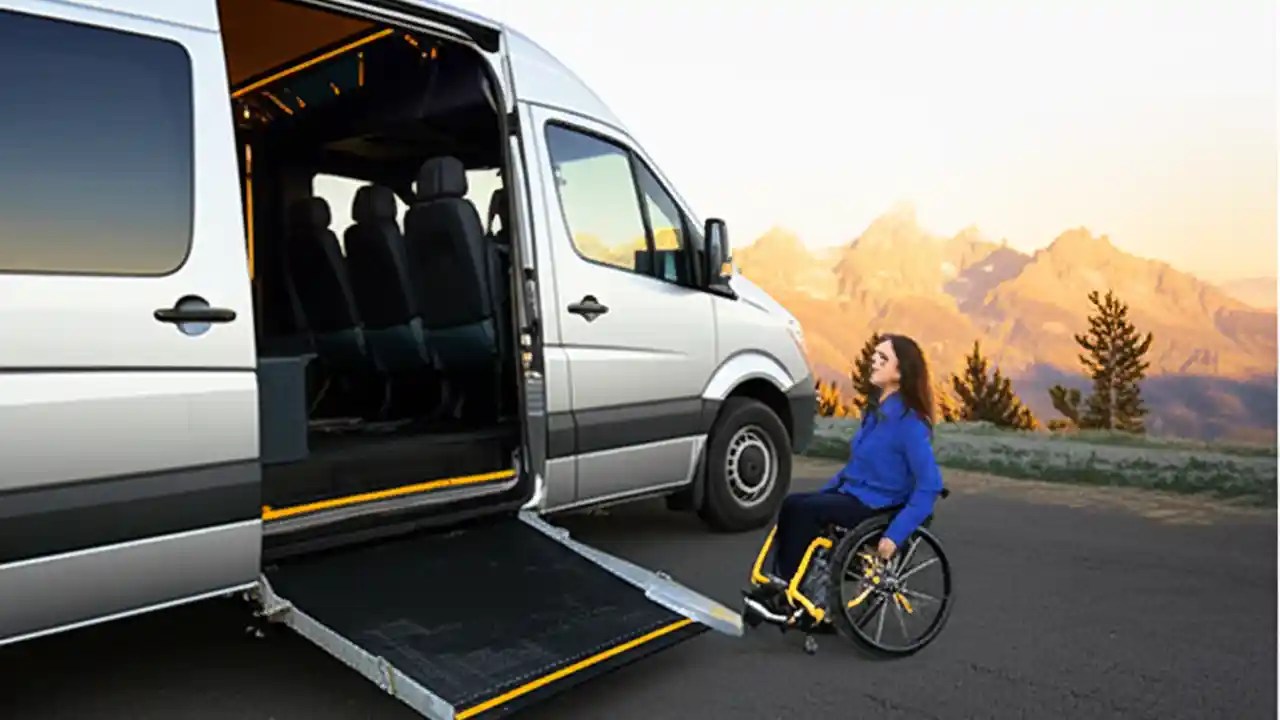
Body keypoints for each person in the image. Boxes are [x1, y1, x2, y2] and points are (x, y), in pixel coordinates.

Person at [750, 333, 946, 607]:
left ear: (900, 373)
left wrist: (895, 534)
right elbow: (854, 469)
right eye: (875, 356)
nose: (873, 362)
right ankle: (783, 582)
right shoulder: (874, 415)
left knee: (806, 511)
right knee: (793, 504)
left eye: (883, 359)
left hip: (879, 505)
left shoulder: (910, 424)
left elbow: (929, 485)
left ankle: (793, 589)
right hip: (855, 495)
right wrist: (824, 493)